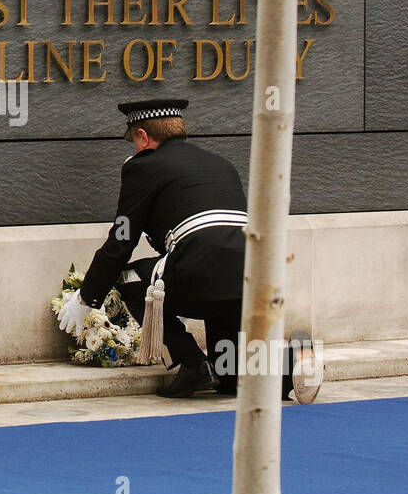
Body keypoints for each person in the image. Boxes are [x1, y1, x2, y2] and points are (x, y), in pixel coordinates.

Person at [56, 98, 321, 402]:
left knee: (129, 279)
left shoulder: (143, 167)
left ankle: (191, 362)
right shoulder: (220, 163)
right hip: (251, 275)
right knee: (232, 377)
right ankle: (294, 362)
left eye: (134, 140)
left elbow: (123, 238)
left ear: (143, 136)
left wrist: (88, 296)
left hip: (199, 270)